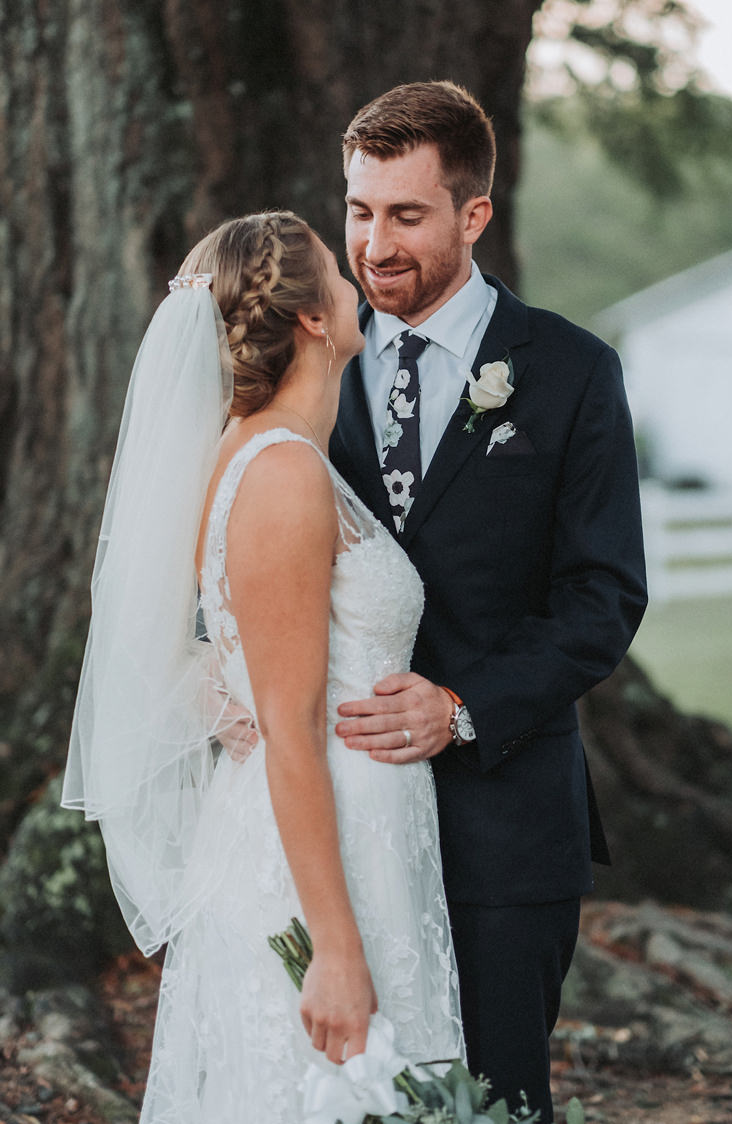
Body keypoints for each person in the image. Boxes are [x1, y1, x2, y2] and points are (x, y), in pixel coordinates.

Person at [63, 211, 463, 1122]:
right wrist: (335, 948)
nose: (354, 273)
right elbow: (292, 726)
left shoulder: (266, 450)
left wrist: (225, 689)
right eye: (335, 267)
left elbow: (217, 639)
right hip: (319, 859)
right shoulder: (280, 469)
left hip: (358, 831)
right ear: (314, 318)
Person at [326, 81, 648, 1122]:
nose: (375, 244)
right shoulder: (311, 357)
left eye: (406, 215)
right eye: (359, 210)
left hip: (507, 827)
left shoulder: (572, 371)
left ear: (473, 215)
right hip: (341, 822)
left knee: (497, 1102)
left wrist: (461, 707)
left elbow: (604, 595)